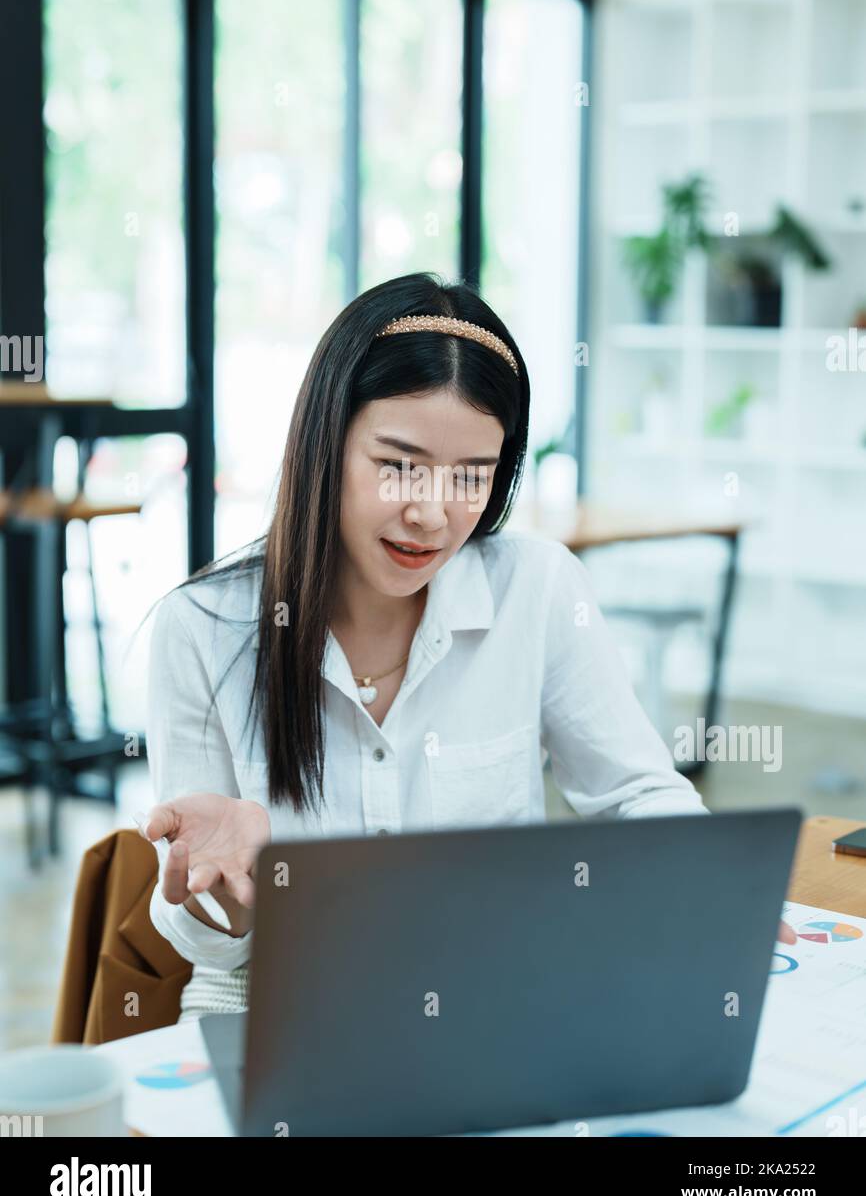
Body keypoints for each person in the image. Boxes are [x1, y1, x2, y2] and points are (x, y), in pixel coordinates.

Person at [141, 271, 795, 1022]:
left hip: (487, 996)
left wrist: (705, 878)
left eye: (471, 476)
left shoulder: (538, 589)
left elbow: (636, 791)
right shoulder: (203, 629)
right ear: (326, 443)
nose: (431, 512)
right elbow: (212, 952)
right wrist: (223, 891)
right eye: (398, 466)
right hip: (278, 1007)